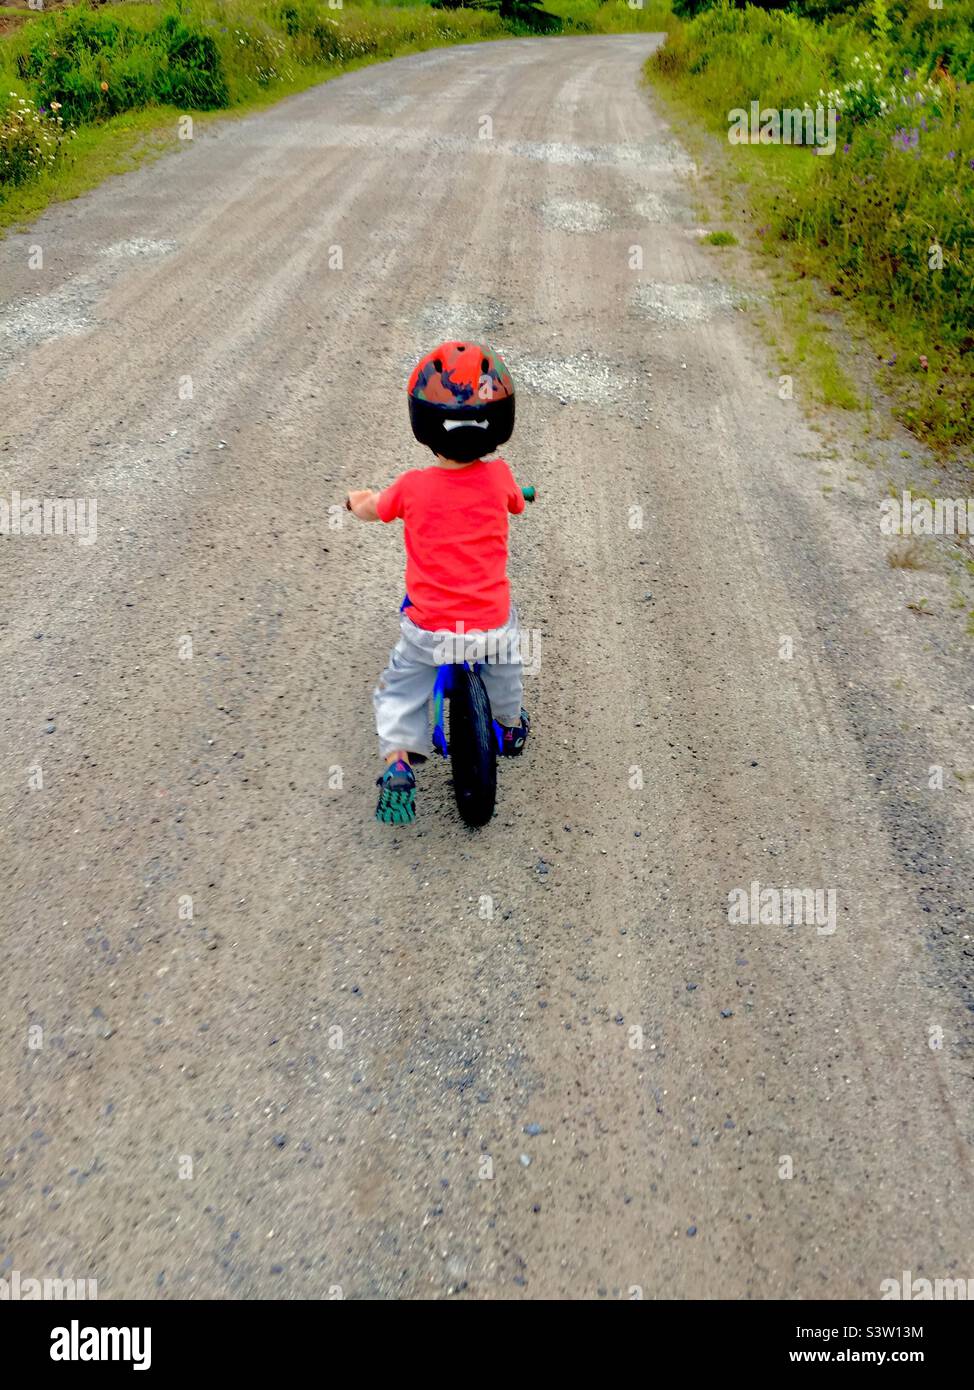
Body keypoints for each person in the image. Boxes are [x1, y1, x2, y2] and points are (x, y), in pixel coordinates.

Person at [346, 340, 530, 823]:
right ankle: (509, 726)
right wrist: (519, 494)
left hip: (429, 628)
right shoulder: (501, 478)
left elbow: (373, 509)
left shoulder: (410, 488)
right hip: (489, 624)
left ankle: (399, 762)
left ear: (423, 423)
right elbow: (517, 502)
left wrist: (358, 500)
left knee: (401, 688)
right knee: (508, 661)